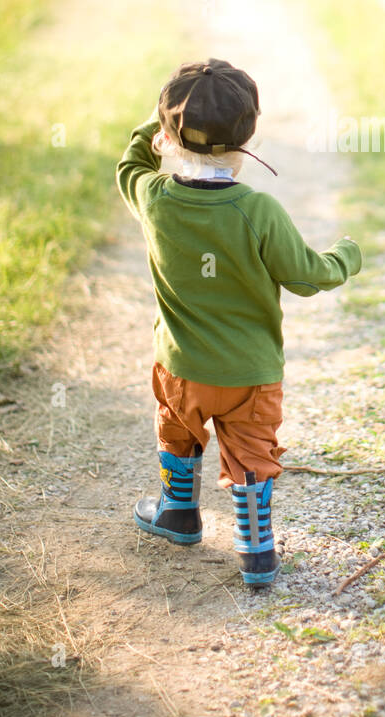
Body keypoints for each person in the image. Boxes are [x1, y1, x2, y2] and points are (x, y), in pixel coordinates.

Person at [116, 58, 362, 587]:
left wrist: (156, 124)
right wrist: (346, 256)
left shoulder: (154, 199)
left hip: (181, 371)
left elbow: (129, 165)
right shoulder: (258, 209)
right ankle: (256, 551)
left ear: (166, 134)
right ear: (247, 136)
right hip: (250, 377)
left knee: (177, 431)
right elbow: (306, 277)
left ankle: (177, 514)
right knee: (253, 455)